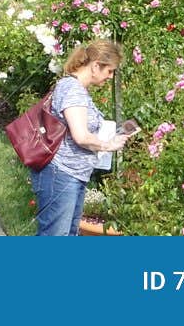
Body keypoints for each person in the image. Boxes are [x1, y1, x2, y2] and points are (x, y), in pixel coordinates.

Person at [32, 41, 130, 236]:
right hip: (61, 174)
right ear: (96, 66)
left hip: (72, 174)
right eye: (109, 71)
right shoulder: (73, 90)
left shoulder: (78, 89)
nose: (110, 77)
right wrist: (107, 145)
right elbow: (81, 136)